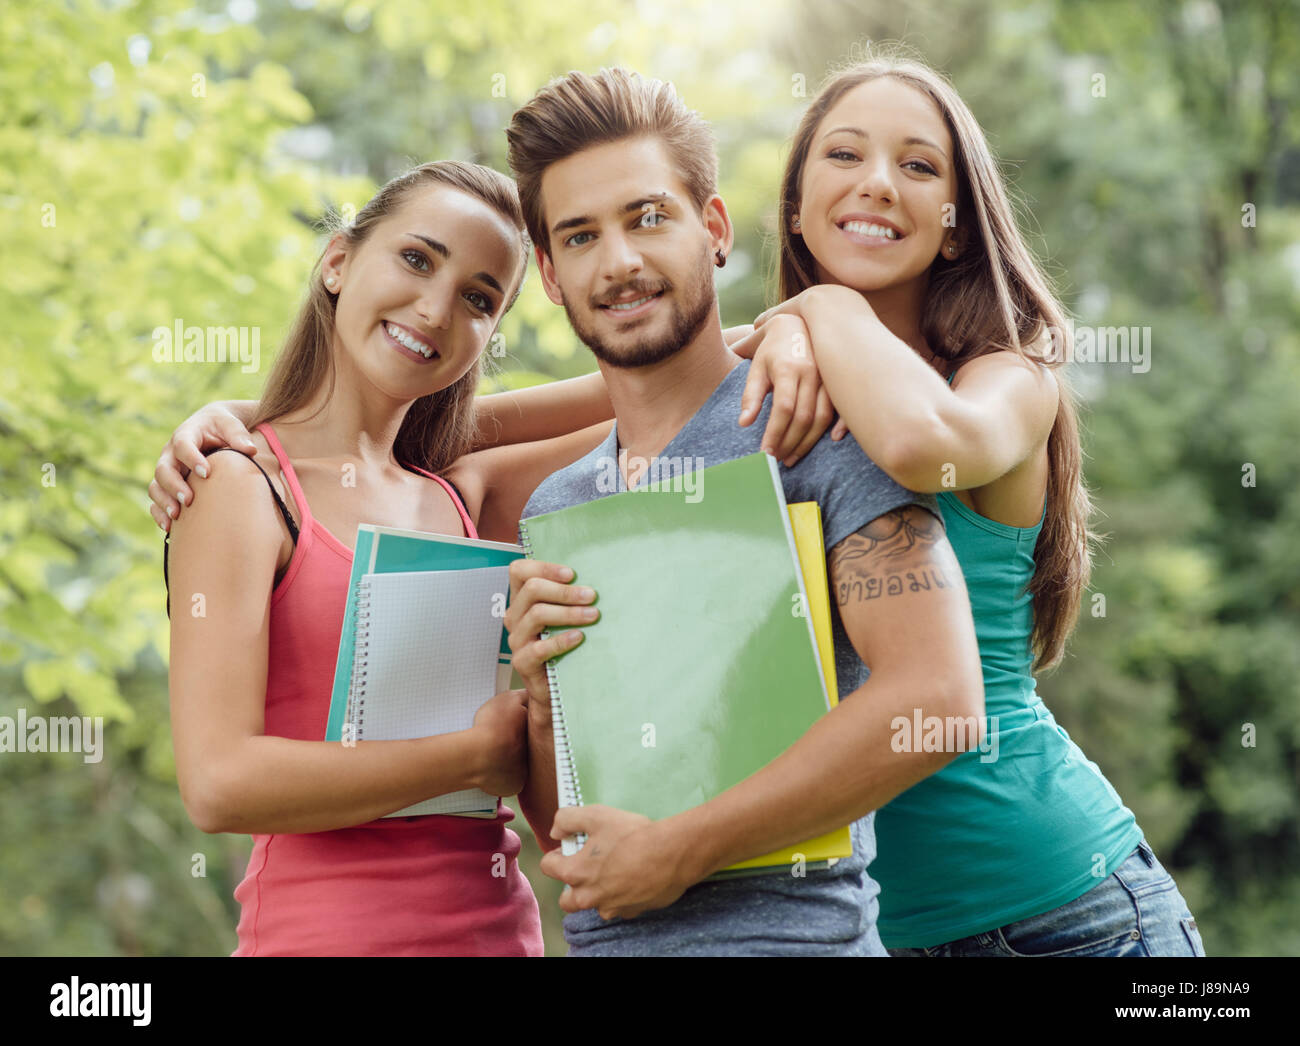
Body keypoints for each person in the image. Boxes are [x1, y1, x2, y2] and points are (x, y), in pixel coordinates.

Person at [496, 67, 984, 956]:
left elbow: (942, 701)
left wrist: (680, 853)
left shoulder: (815, 428)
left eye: (648, 217)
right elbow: (568, 830)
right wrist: (539, 699)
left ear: (712, 229)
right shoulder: (560, 506)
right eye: (580, 237)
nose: (621, 263)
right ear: (550, 275)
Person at [728, 50, 1205, 957]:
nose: (876, 183)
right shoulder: (774, 369)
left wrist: (820, 307)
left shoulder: (1009, 380)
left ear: (954, 226)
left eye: (917, 166)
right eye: (843, 156)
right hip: (887, 935)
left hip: (1073, 914)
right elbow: (560, 417)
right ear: (795, 206)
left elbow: (923, 445)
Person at [163, 160, 599, 956]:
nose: (435, 309)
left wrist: (804, 319)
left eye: (478, 299)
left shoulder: (463, 492)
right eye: (416, 258)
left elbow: (663, 395)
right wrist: (473, 754)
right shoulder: (241, 486)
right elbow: (219, 782)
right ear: (337, 262)